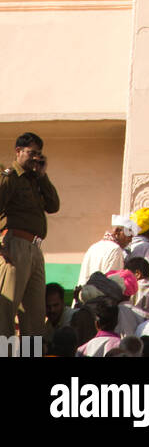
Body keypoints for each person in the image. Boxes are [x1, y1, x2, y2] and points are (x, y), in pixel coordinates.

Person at [0, 130, 61, 338]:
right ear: (18, 151)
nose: (35, 158)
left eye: (39, 154)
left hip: (35, 249)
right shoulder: (9, 177)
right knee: (5, 312)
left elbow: (53, 206)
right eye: (31, 153)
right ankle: (4, 352)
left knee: (34, 316)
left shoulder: (36, 180)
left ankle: (31, 352)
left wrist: (42, 175)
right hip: (15, 244)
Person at [77, 216, 136, 285]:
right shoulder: (115, 249)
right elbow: (113, 281)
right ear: (117, 231)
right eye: (129, 234)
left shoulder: (93, 247)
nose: (130, 239)